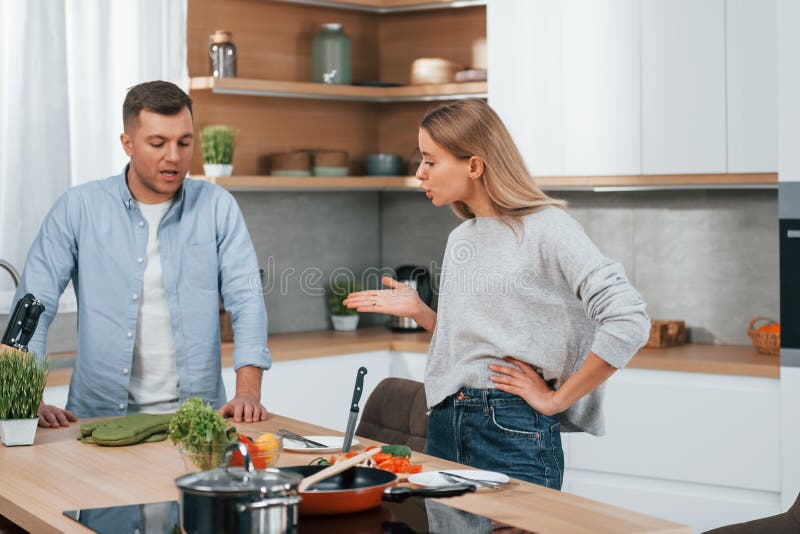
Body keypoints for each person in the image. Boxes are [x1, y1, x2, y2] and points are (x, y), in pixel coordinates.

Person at [344, 99, 650, 489]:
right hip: (443, 420)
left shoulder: (548, 228)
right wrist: (421, 312)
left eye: (430, 161)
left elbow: (629, 318)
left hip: (510, 425)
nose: (419, 174)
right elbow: (475, 345)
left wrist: (557, 401)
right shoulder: (462, 238)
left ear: (473, 165)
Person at [8, 80, 271, 427]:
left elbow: (247, 301)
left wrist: (248, 394)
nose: (174, 157)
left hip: (197, 422)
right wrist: (30, 398)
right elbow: (32, 307)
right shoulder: (79, 208)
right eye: (158, 143)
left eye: (184, 142)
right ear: (128, 144)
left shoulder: (217, 207)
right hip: (97, 423)